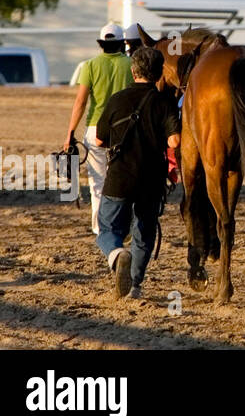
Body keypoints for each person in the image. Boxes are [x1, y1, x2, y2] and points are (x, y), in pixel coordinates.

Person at [93, 46, 180, 300]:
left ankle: (116, 254)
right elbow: (174, 142)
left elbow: (99, 140)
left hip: (120, 175)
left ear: (133, 71)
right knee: (145, 231)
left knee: (108, 228)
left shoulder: (117, 99)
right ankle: (135, 286)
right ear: (159, 73)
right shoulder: (165, 102)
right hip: (152, 178)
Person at [63, 23, 132, 236]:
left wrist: (70, 134)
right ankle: (122, 225)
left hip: (95, 129)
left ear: (101, 44)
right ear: (122, 43)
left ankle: (100, 228)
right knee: (122, 180)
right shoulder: (131, 64)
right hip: (125, 129)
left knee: (97, 183)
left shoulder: (90, 66)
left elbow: (80, 103)